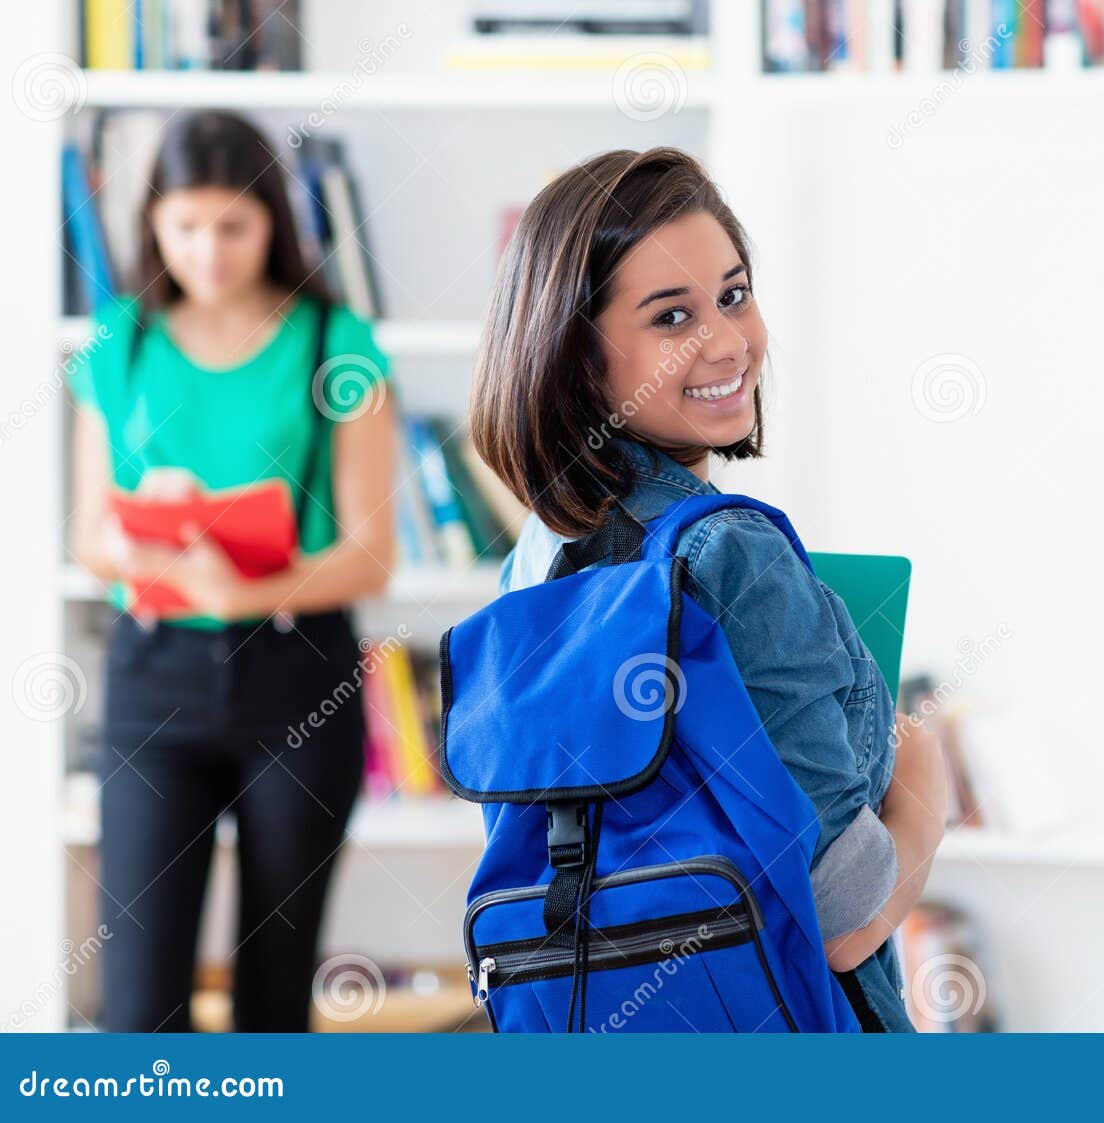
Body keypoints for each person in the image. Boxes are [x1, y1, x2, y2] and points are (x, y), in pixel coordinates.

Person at [472, 147, 949, 1032]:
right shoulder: (737, 556)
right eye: (671, 317)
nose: (727, 342)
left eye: (733, 295)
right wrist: (923, 776)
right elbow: (843, 925)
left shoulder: (534, 559)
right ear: (578, 358)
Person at [66, 111, 396, 1031]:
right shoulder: (119, 341)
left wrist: (241, 591)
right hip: (152, 678)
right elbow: (88, 536)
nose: (207, 251)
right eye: (185, 226)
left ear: (274, 224)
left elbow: (372, 553)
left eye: (234, 227)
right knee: (137, 1003)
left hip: (298, 681)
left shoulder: (337, 341)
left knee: (273, 993)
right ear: (153, 223)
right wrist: (141, 545)